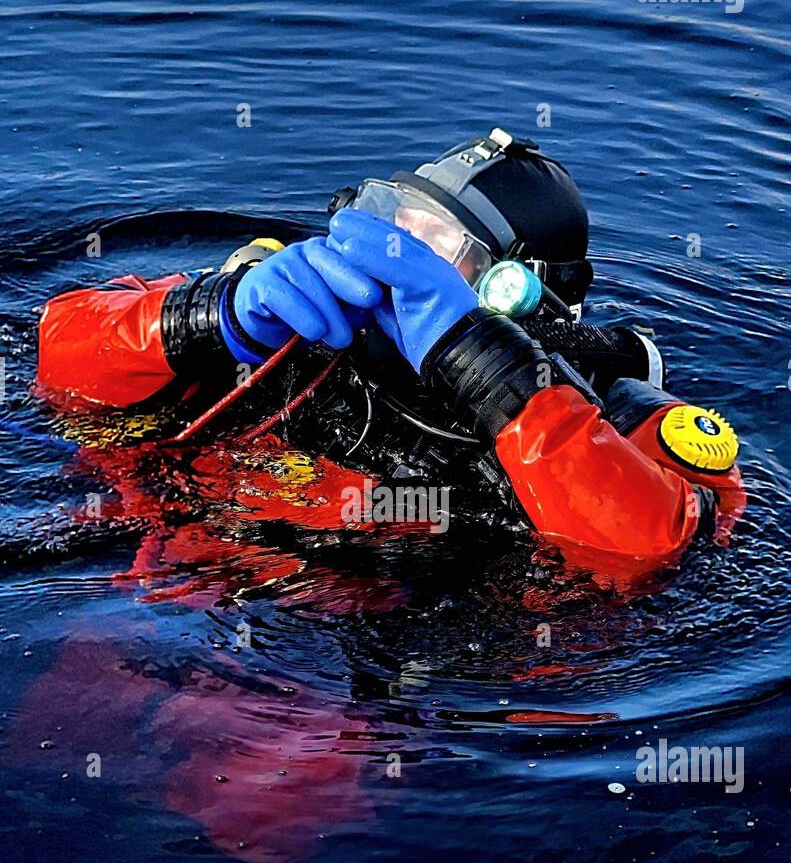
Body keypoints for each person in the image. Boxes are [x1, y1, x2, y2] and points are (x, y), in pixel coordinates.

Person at [37, 127, 745, 584]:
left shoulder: (617, 417)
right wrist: (213, 314)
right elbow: (59, 360)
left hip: (326, 662)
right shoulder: (290, 311)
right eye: (388, 218)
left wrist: (472, 350)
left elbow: (645, 549)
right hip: (134, 579)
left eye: (431, 244)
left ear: (509, 287)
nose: (387, 256)